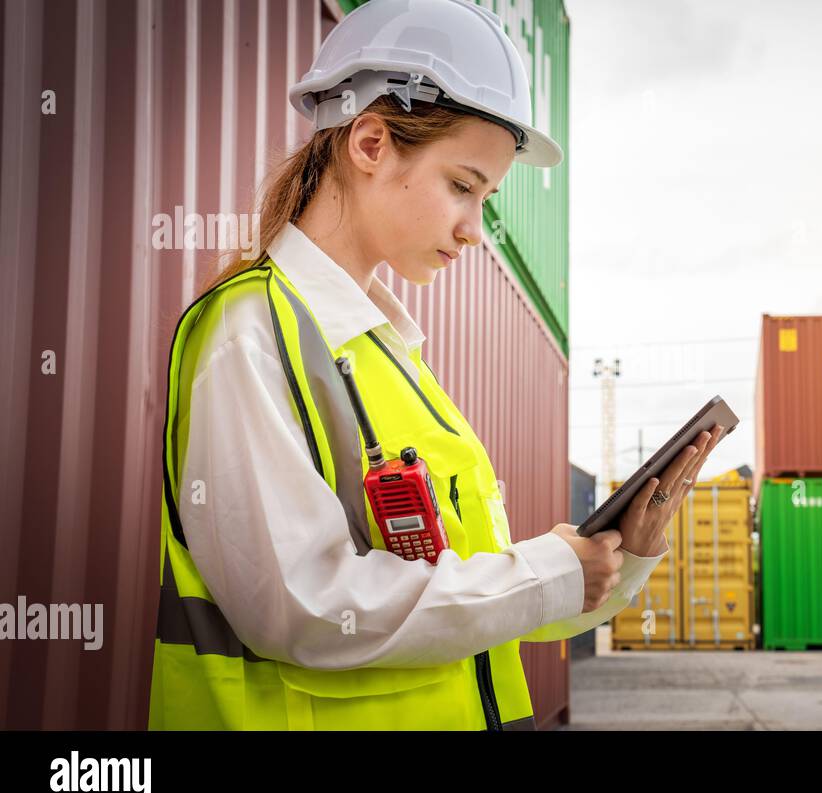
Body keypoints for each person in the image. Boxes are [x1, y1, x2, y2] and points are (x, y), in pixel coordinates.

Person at [148, 0, 726, 730]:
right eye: (462, 185)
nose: (473, 231)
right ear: (369, 144)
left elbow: (478, 607)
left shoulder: (393, 358)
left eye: (485, 198)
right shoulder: (248, 333)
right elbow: (301, 606)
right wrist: (548, 571)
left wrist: (619, 556)